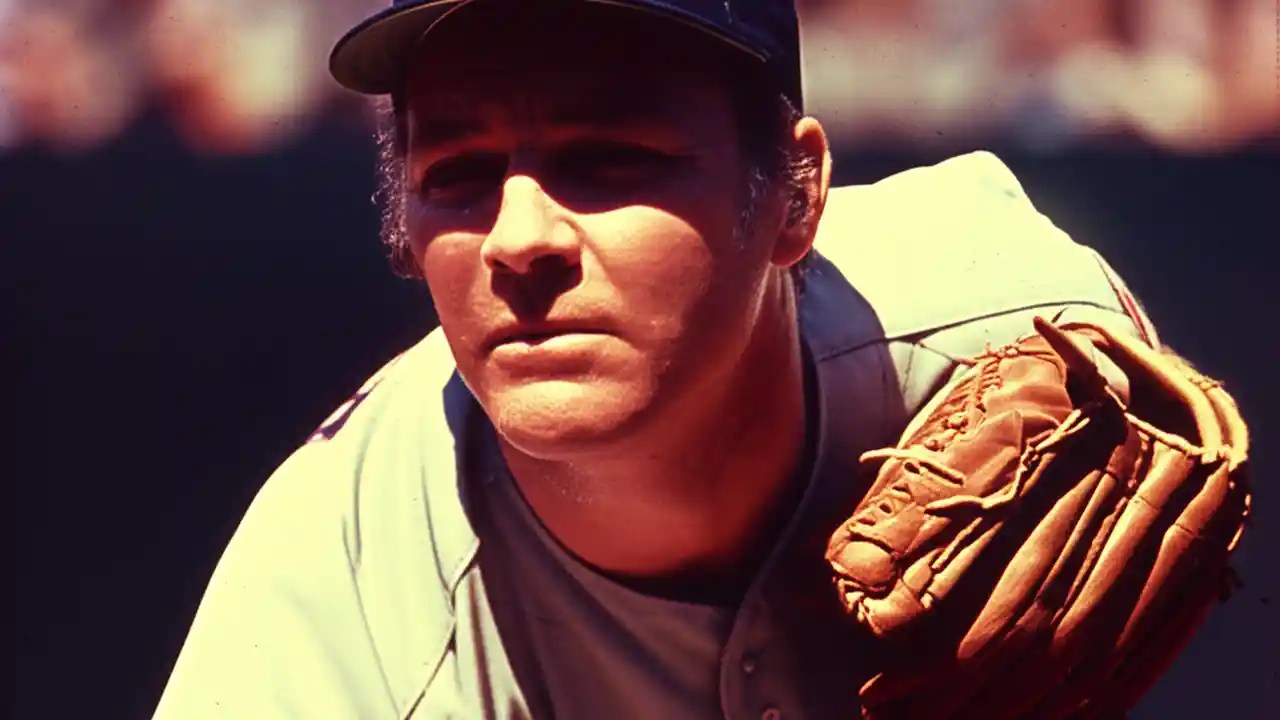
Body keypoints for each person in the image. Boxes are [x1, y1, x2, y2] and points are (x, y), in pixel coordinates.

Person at [153, 1, 1162, 717]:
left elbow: (1099, 327)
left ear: (796, 197)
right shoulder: (339, 585)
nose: (518, 237)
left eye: (608, 159)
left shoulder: (997, 319)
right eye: (456, 173)